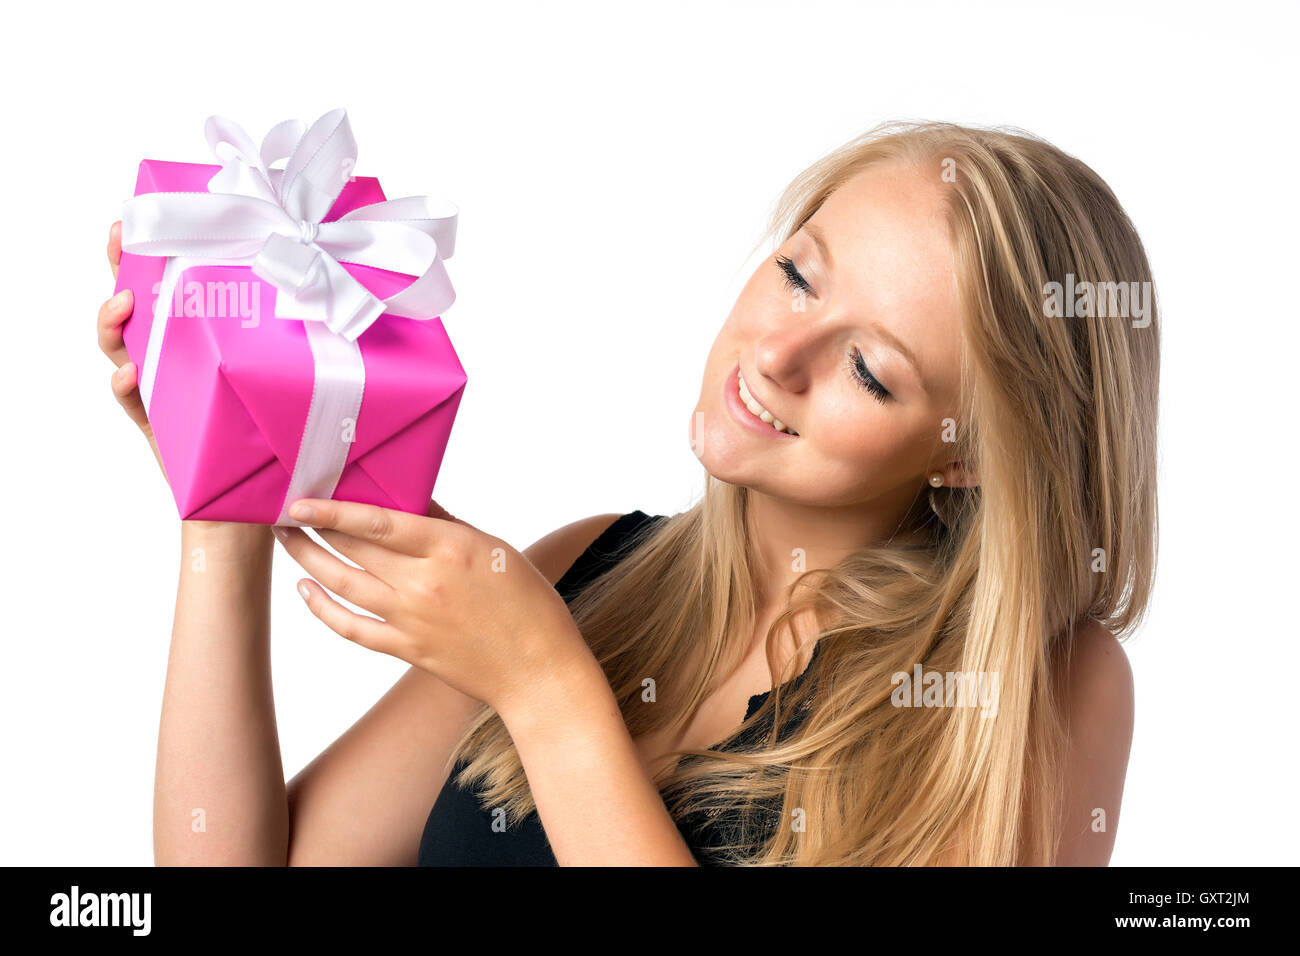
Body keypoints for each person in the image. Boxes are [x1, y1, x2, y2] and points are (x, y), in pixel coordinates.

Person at [96, 120, 1154, 866]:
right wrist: (225, 493)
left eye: (868, 368)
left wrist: (546, 687)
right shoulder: (583, 569)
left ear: (965, 454)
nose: (777, 352)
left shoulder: (1039, 685)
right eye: (797, 273)